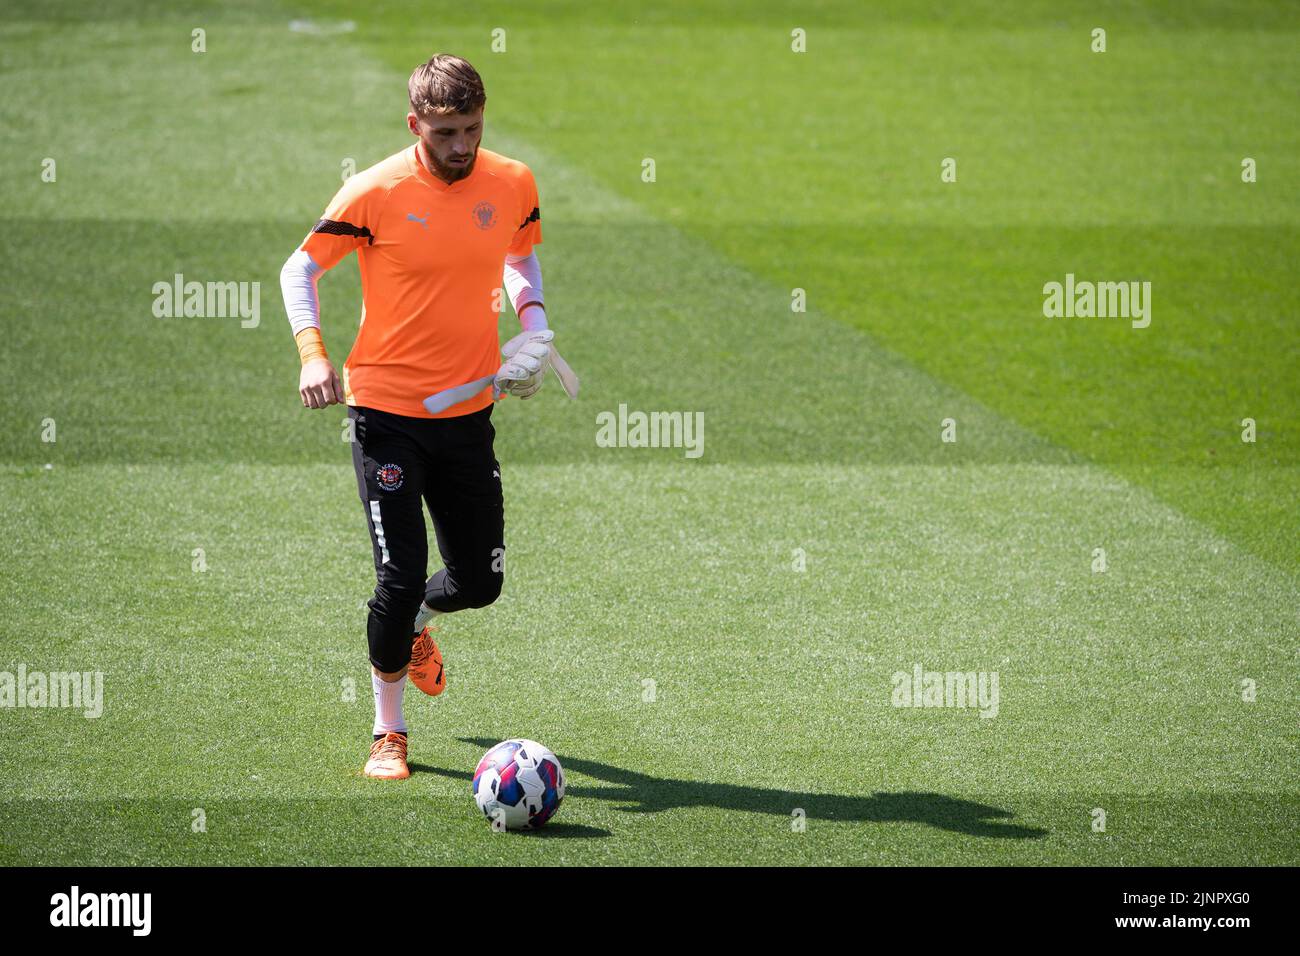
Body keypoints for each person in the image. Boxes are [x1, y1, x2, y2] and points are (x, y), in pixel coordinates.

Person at [279, 53, 567, 780]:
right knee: (400, 575)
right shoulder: (374, 190)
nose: (461, 146)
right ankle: (389, 732)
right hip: (385, 410)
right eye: (444, 132)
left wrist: (532, 327)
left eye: (470, 128)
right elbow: (301, 268)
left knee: (479, 581)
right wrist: (314, 354)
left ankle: (412, 631)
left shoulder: (511, 182)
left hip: (469, 411)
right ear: (416, 124)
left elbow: (520, 254)